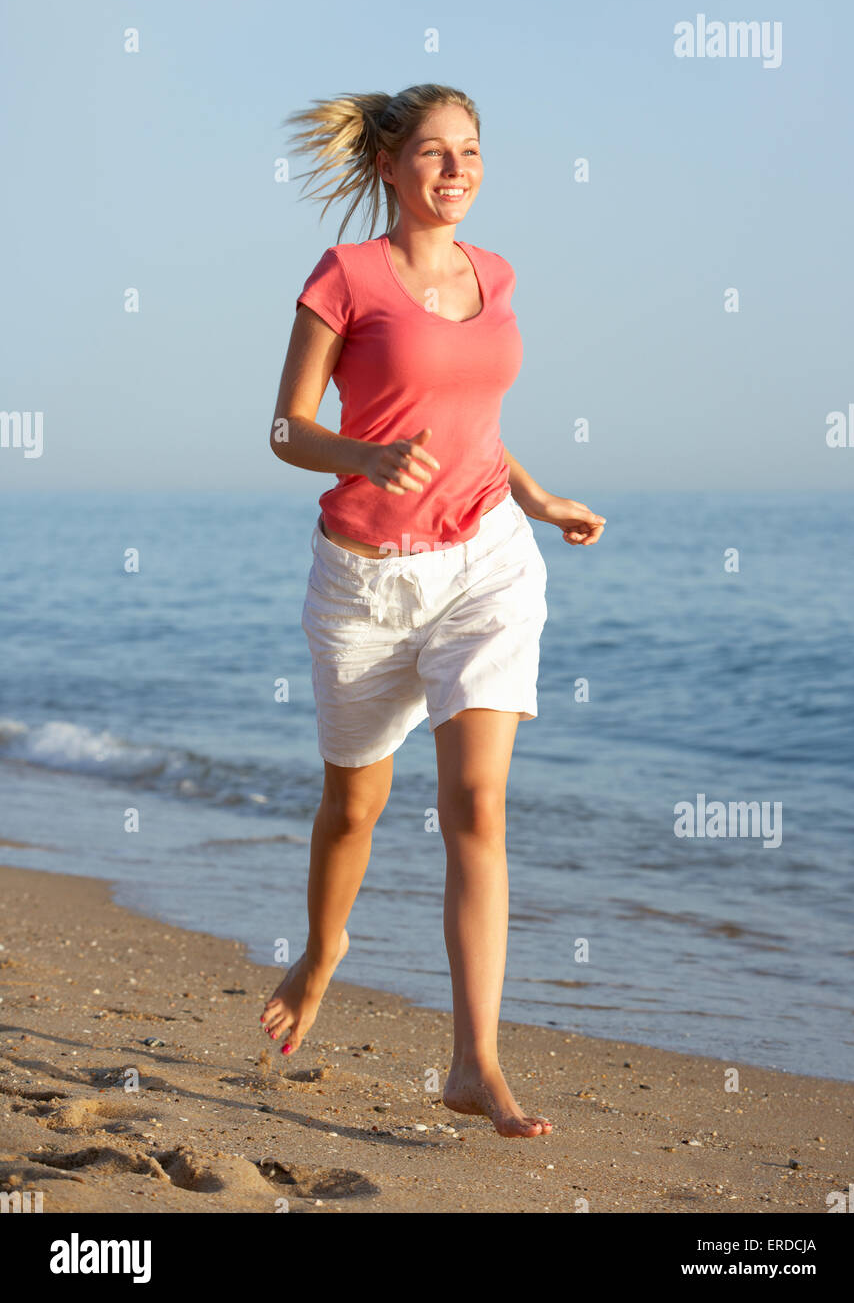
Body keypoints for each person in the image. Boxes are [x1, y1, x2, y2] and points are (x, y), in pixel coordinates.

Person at [262, 83, 605, 1137]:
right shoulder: (346, 276)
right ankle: (323, 950)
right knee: (355, 809)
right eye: (432, 154)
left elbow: (470, 423)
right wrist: (359, 452)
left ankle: (473, 1060)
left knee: (477, 808)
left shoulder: (493, 274)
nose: (455, 170)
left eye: (469, 152)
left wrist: (535, 498)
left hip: (484, 566)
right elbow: (284, 428)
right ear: (388, 169)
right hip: (366, 581)